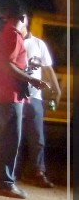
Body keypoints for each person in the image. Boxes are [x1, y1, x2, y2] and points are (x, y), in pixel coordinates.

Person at [0, 4, 50, 199]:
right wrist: (30, 79)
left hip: (6, 93)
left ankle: (4, 181)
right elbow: (8, 64)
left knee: (10, 138)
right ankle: (6, 184)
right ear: (23, 17)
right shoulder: (13, 34)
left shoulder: (5, 32)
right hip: (10, 95)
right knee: (11, 139)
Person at [16, 24, 61, 188]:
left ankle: (38, 172)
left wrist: (57, 90)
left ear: (25, 24)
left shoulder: (38, 44)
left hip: (35, 96)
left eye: (19, 25)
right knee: (15, 135)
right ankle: (13, 172)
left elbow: (48, 69)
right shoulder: (15, 42)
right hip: (17, 96)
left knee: (37, 137)